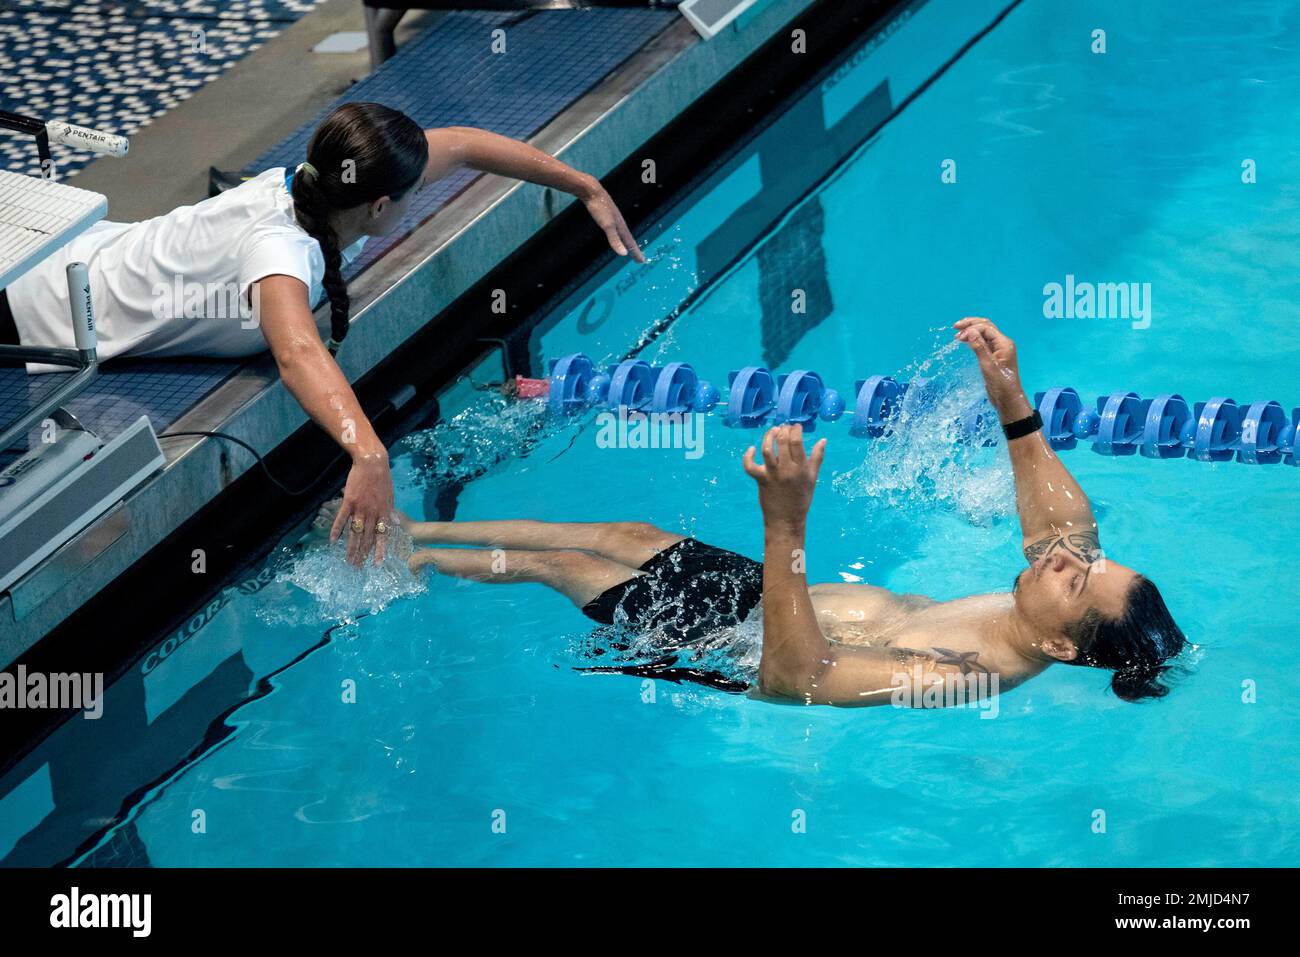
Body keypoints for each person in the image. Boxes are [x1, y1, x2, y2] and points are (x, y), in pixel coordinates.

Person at [398, 317, 1187, 707]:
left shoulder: (975, 676)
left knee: (562, 566)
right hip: (778, 598)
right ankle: (415, 527)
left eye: (1078, 580)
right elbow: (1062, 522)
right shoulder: (1052, 592)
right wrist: (1010, 395)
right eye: (1086, 560)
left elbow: (797, 679)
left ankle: (406, 558)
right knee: (627, 534)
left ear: (1058, 640)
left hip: (738, 644)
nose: (1067, 558)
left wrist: (785, 525)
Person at [0, 102, 644, 566]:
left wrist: (582, 184)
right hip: (32, 308)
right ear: (381, 208)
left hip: (79, 256)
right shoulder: (281, 249)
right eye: (413, 192)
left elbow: (469, 144)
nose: (423, 191)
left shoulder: (327, 186)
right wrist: (369, 452)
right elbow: (297, 351)